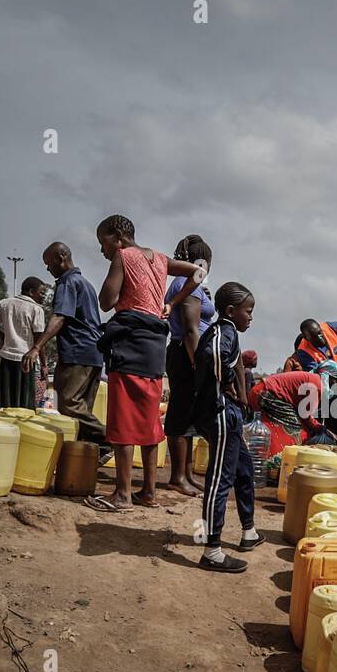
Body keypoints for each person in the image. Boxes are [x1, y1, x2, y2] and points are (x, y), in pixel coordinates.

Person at [87, 214, 205, 511]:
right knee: (149, 418)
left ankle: (123, 494)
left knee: (124, 418)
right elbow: (198, 272)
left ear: (117, 236)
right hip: (155, 345)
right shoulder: (160, 258)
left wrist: (116, 269)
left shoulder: (123, 256)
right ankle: (148, 492)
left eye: (103, 243)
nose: (103, 251)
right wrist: (171, 304)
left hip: (130, 341)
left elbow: (106, 301)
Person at [193, 283, 259, 573]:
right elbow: (213, 355)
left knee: (243, 468)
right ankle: (212, 550)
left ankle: (249, 531)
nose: (251, 318)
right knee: (219, 481)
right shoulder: (223, 330)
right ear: (231, 311)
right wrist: (227, 383)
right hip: (219, 412)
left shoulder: (228, 331)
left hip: (229, 414)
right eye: (249, 311)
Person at [23, 243, 104, 443]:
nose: (48, 269)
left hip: (77, 352)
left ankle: (113, 438)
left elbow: (60, 317)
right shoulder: (86, 284)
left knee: (68, 404)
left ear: (61, 258)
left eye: (49, 263)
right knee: (82, 409)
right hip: (93, 354)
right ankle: (90, 454)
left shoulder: (67, 283)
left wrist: (37, 347)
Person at [161, 234, 214, 497]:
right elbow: (191, 329)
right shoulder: (186, 283)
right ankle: (177, 477)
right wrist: (197, 365)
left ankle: (188, 474)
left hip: (190, 353)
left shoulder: (193, 285)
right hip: (185, 353)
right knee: (180, 414)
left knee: (189, 415)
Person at [246, 367, 336, 465]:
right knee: (295, 428)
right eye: (335, 381)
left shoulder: (314, 379)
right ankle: (277, 461)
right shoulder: (317, 385)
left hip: (260, 392)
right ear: (330, 377)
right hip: (265, 394)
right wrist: (320, 428)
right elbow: (305, 415)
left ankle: (268, 458)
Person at [0, 278, 47, 410]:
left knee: (5, 403)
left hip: (6, 361)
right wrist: (44, 364)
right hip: (26, 362)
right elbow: (39, 341)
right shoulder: (36, 309)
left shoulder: (6, 303)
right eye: (41, 293)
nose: (44, 296)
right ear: (31, 292)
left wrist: (2, 335)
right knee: (24, 405)